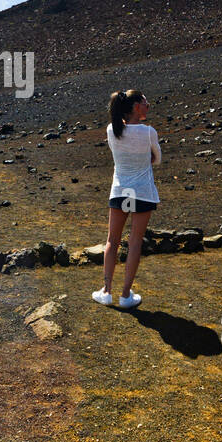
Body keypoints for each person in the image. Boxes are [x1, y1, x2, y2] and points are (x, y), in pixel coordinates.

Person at [94, 88, 160, 308]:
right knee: (134, 243)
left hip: (121, 191)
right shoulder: (148, 132)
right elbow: (156, 159)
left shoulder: (112, 130)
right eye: (145, 102)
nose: (148, 105)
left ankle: (106, 290)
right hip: (141, 192)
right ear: (135, 107)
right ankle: (125, 295)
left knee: (113, 240)